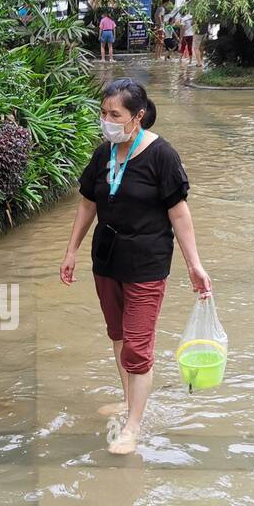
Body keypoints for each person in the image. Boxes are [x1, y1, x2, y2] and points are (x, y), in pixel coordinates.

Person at [60, 78, 211, 456]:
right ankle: (130, 402)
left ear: (138, 116)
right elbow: (87, 205)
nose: (106, 120)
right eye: (103, 113)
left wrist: (195, 265)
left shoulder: (162, 156)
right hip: (107, 260)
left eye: (115, 114)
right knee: (118, 337)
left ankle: (132, 426)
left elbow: (179, 213)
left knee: (138, 348)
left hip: (147, 263)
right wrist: (71, 250)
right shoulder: (103, 153)